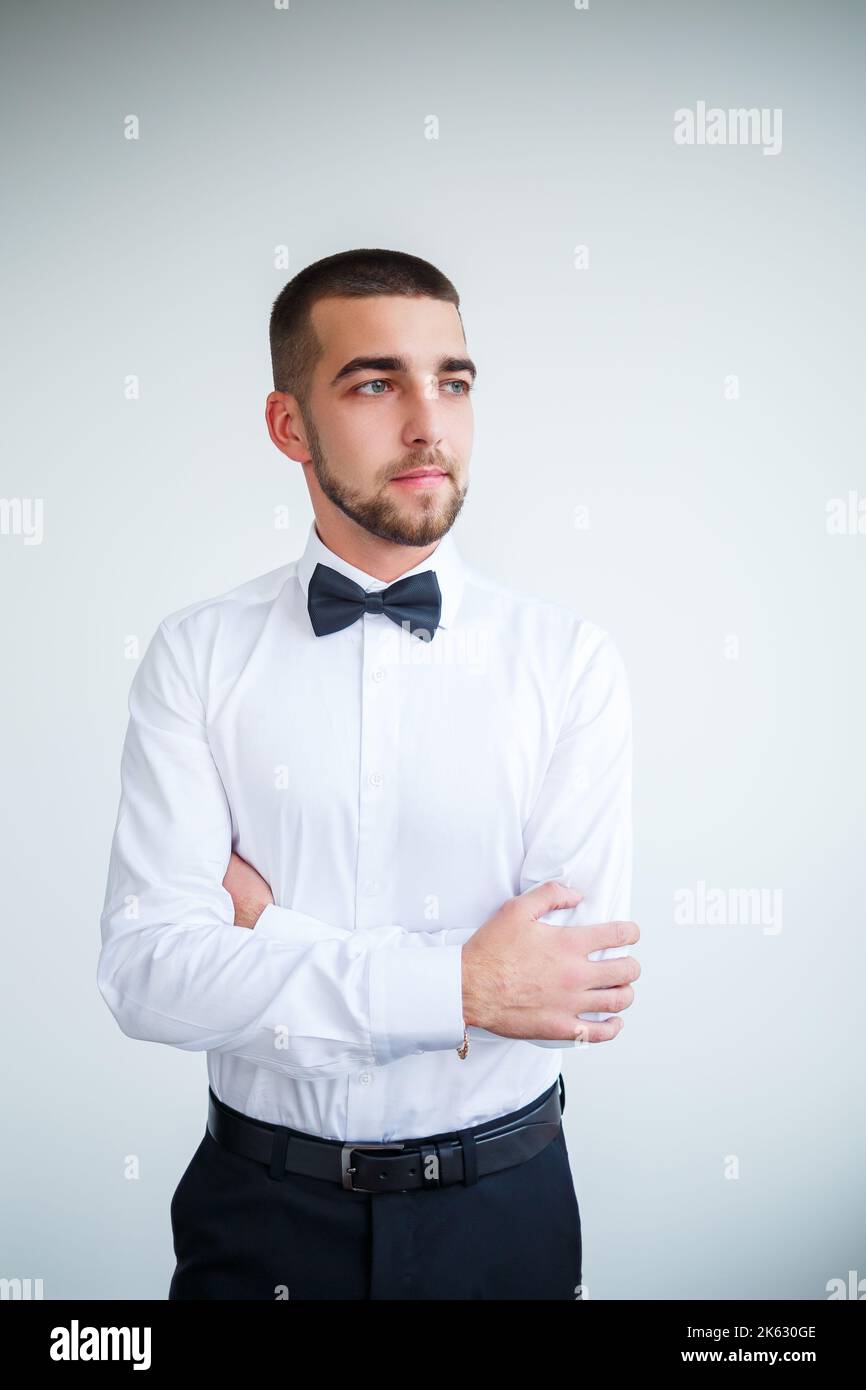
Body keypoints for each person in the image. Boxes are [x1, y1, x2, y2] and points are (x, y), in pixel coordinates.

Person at [97, 247, 640, 1300]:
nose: (427, 422)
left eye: (453, 380)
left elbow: (568, 988)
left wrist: (267, 931)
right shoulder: (195, 655)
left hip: (503, 1212)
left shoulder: (568, 661)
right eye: (374, 382)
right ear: (289, 425)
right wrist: (461, 984)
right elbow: (148, 975)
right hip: (256, 1213)